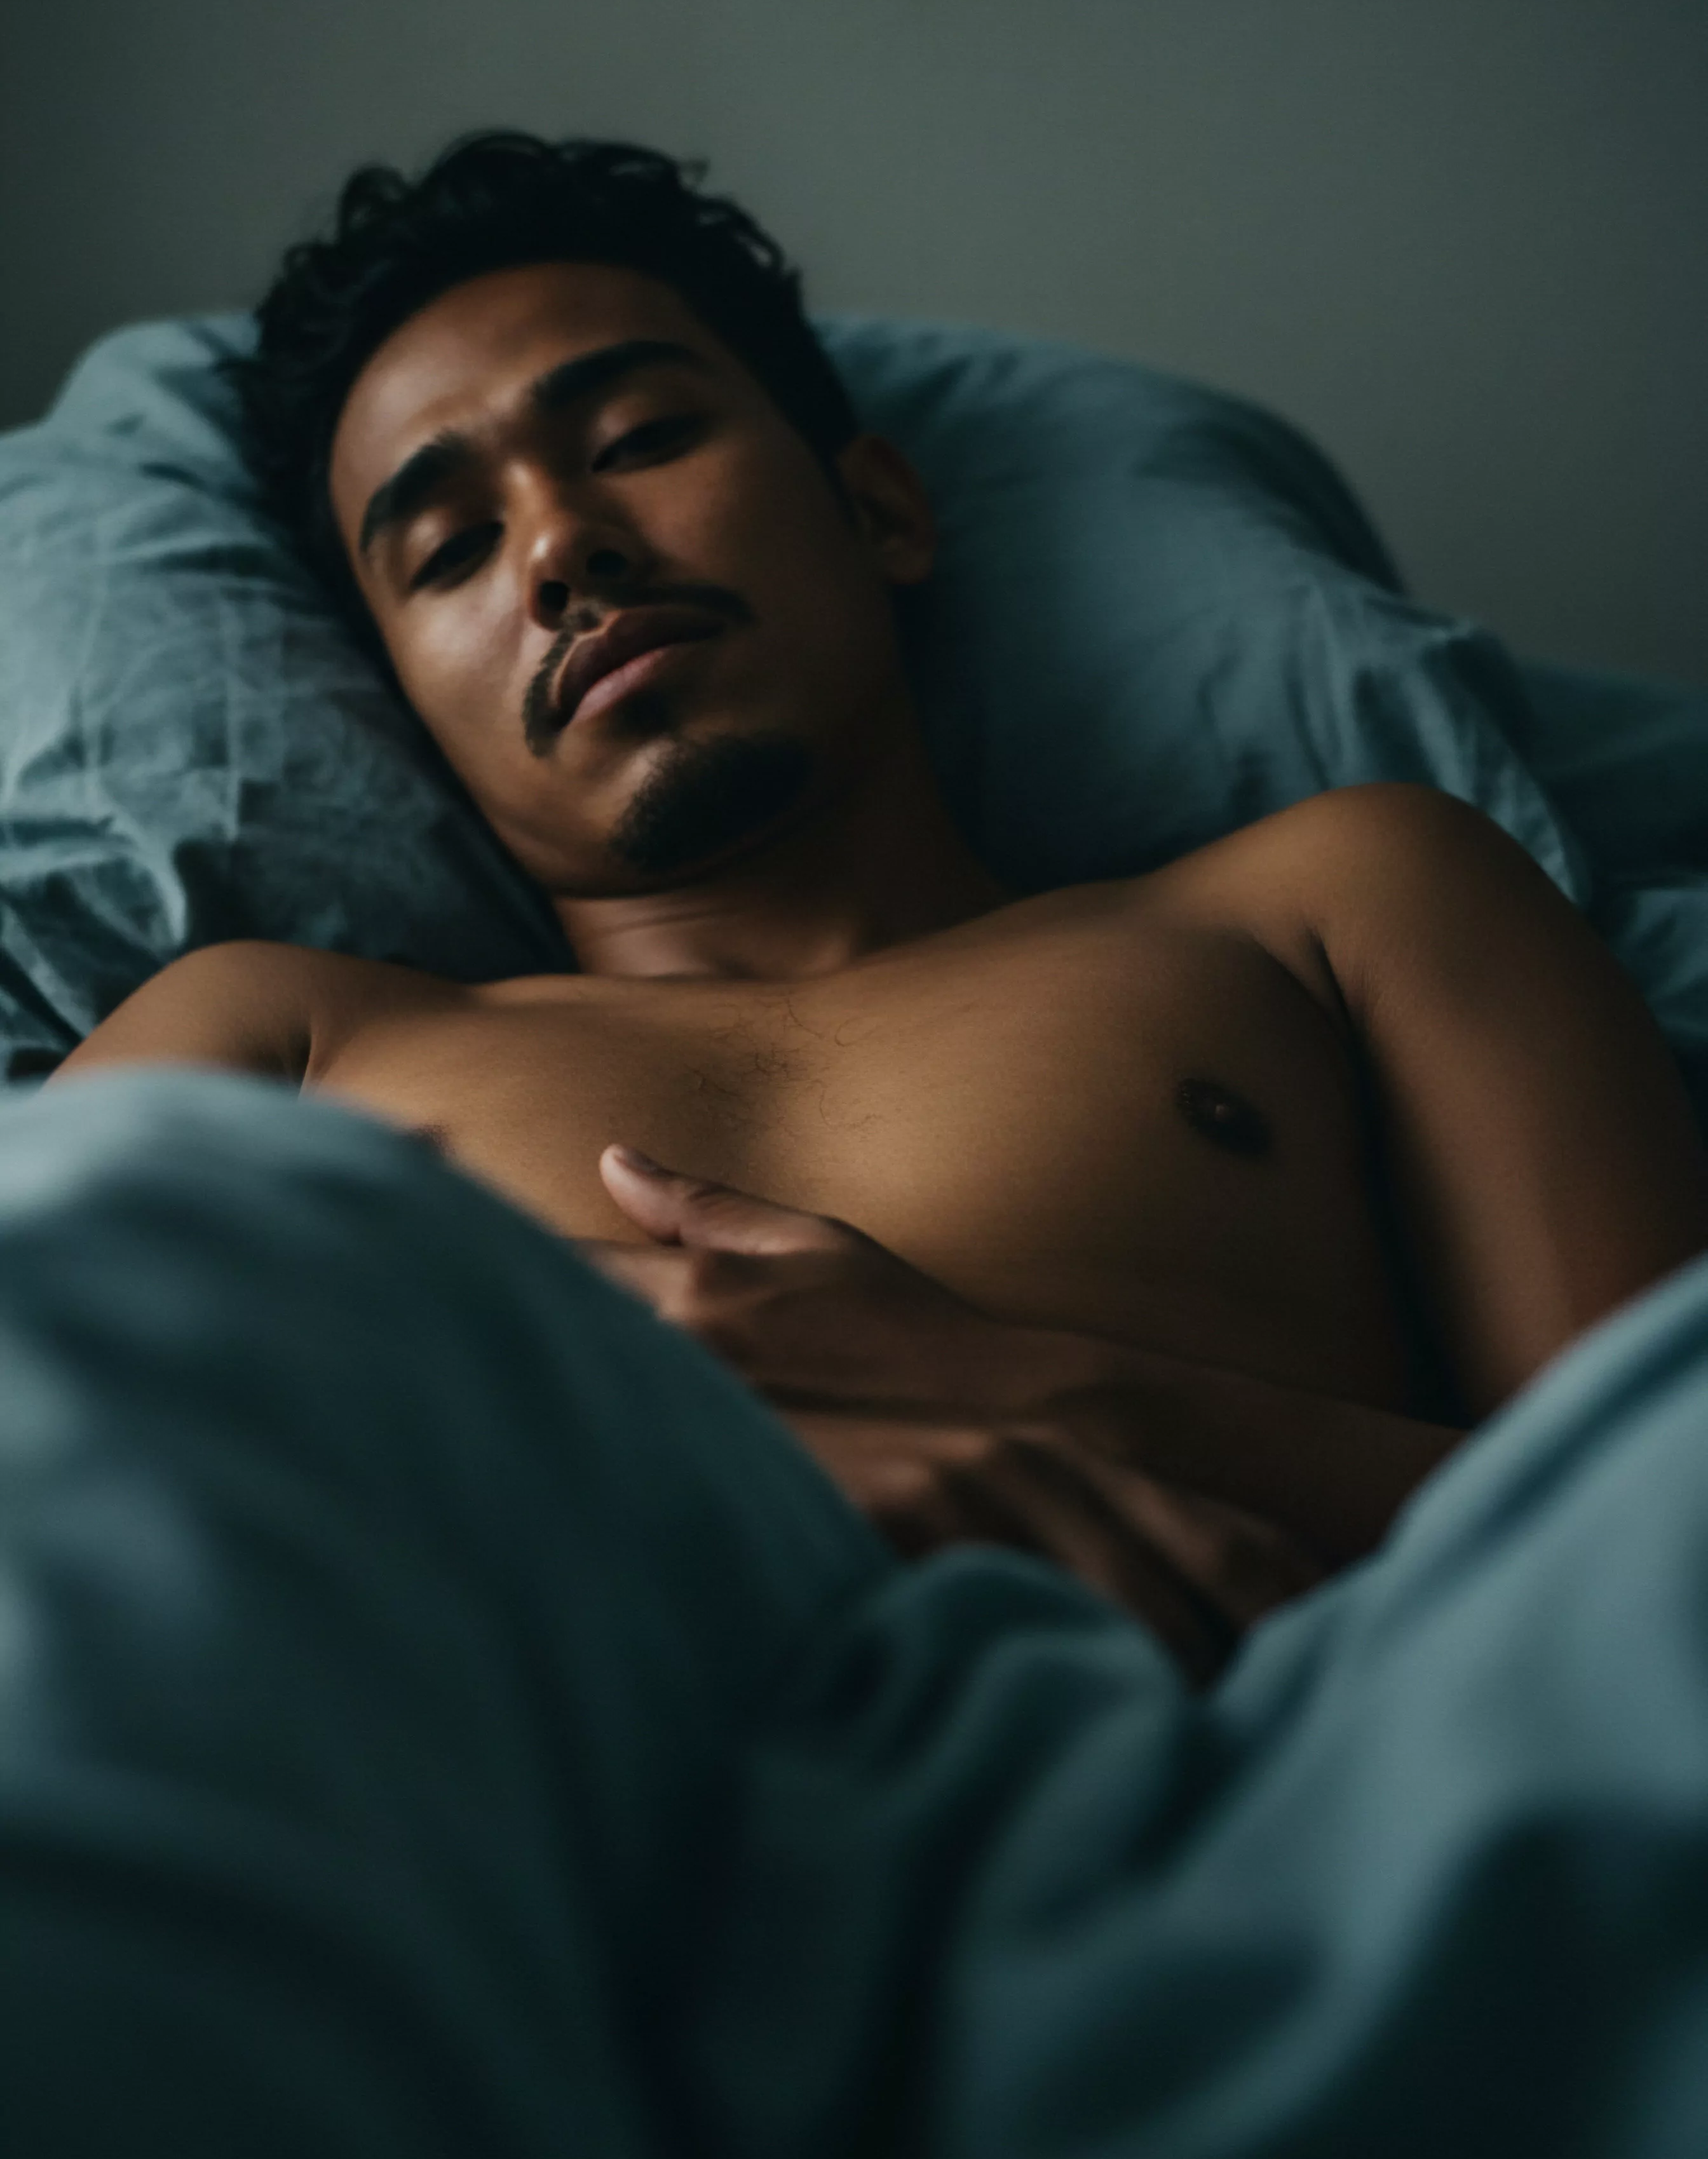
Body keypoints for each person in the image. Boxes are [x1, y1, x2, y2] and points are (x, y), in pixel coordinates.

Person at [44, 130, 1708, 1674]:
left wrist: (1045, 1399)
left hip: (1269, 1784)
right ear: (408, 702)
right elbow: (49, 1481)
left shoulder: (1342, 901)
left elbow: (1662, 1527)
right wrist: (603, 1395)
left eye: (637, 440)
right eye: (452, 551)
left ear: (881, 509)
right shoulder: (276, 1035)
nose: (559, 551)